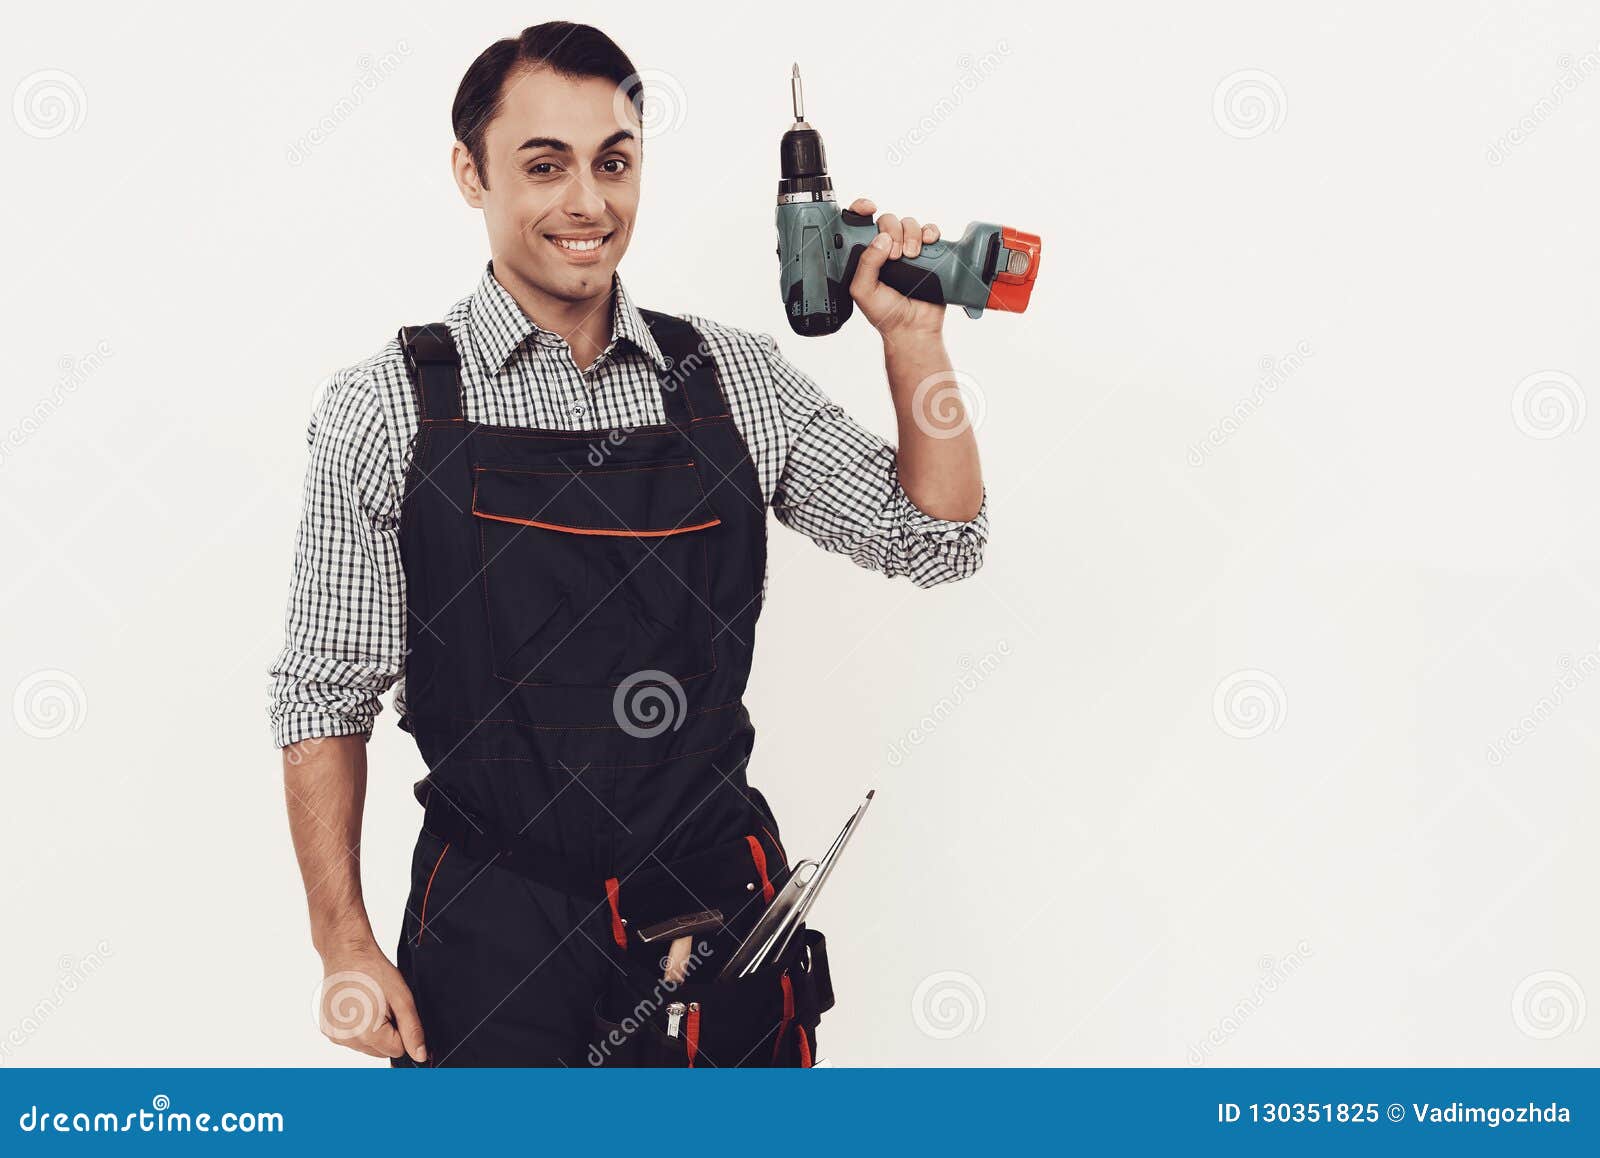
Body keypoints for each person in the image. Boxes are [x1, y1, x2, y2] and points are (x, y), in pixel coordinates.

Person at [269, 20, 988, 1067]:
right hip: (490, 931)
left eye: (613, 162)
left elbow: (938, 542)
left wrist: (914, 342)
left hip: (712, 919)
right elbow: (322, 694)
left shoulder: (730, 382)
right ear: (470, 173)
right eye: (544, 165)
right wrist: (343, 942)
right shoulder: (387, 407)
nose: (587, 203)